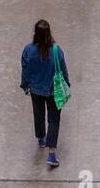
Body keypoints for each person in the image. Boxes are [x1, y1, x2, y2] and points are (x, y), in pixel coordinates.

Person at [20, 20, 70, 169]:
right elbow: (63, 70)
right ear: (49, 33)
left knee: (38, 113)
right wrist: (67, 84)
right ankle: (51, 154)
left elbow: (25, 70)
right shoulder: (56, 50)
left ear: (35, 33)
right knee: (54, 120)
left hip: (35, 89)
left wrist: (25, 85)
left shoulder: (28, 50)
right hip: (53, 91)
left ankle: (41, 139)